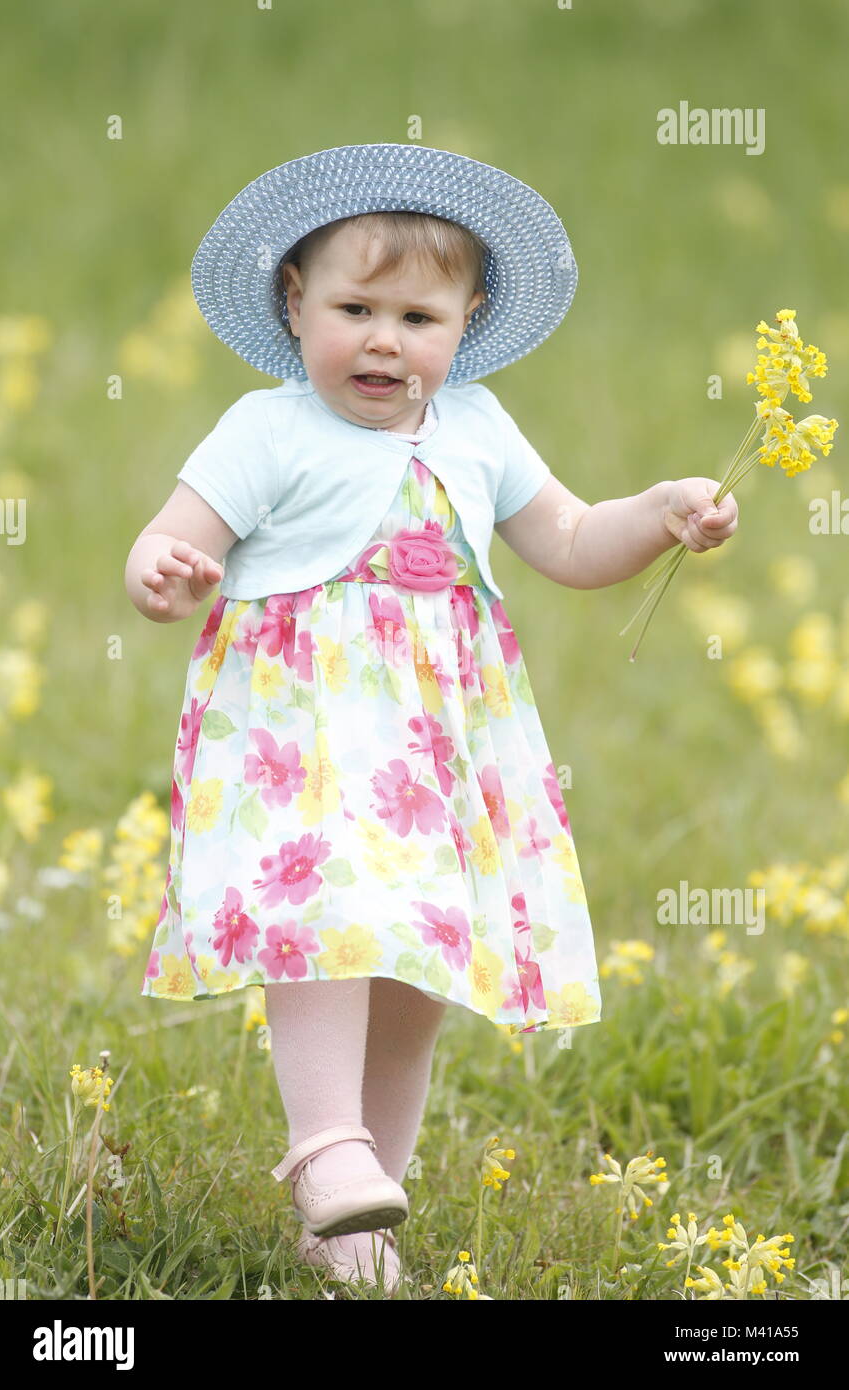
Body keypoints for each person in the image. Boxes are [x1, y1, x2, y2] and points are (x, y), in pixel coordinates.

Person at [124, 143, 739, 1297]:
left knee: (413, 966)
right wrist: (162, 567)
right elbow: (175, 535)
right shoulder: (266, 431)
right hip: (300, 740)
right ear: (294, 303)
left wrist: (656, 513)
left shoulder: (479, 426)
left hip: (437, 751)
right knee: (331, 916)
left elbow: (565, 541)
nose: (383, 339)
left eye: (417, 315)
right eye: (353, 307)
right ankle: (322, 1144)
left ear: (466, 323)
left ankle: (358, 1210)